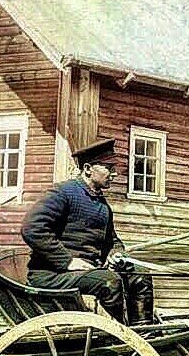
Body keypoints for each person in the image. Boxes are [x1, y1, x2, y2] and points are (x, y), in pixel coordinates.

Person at [21, 138, 155, 324]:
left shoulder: (102, 205)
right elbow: (32, 228)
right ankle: (113, 341)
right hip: (52, 275)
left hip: (88, 272)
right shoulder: (64, 193)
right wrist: (66, 261)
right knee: (109, 281)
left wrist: (117, 254)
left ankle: (143, 334)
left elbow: (112, 241)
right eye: (109, 167)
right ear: (88, 169)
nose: (114, 174)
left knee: (140, 275)